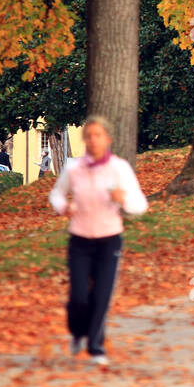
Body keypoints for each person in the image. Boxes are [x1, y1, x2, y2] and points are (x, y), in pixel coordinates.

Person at [48, 115, 148, 367]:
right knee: (79, 296)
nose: (93, 140)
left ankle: (95, 346)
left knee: (101, 295)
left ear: (108, 139)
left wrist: (123, 199)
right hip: (80, 239)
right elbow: (56, 194)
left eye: (98, 135)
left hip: (108, 240)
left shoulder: (119, 168)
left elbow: (140, 205)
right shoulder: (74, 169)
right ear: (84, 140)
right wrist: (63, 207)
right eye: (89, 136)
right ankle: (78, 332)